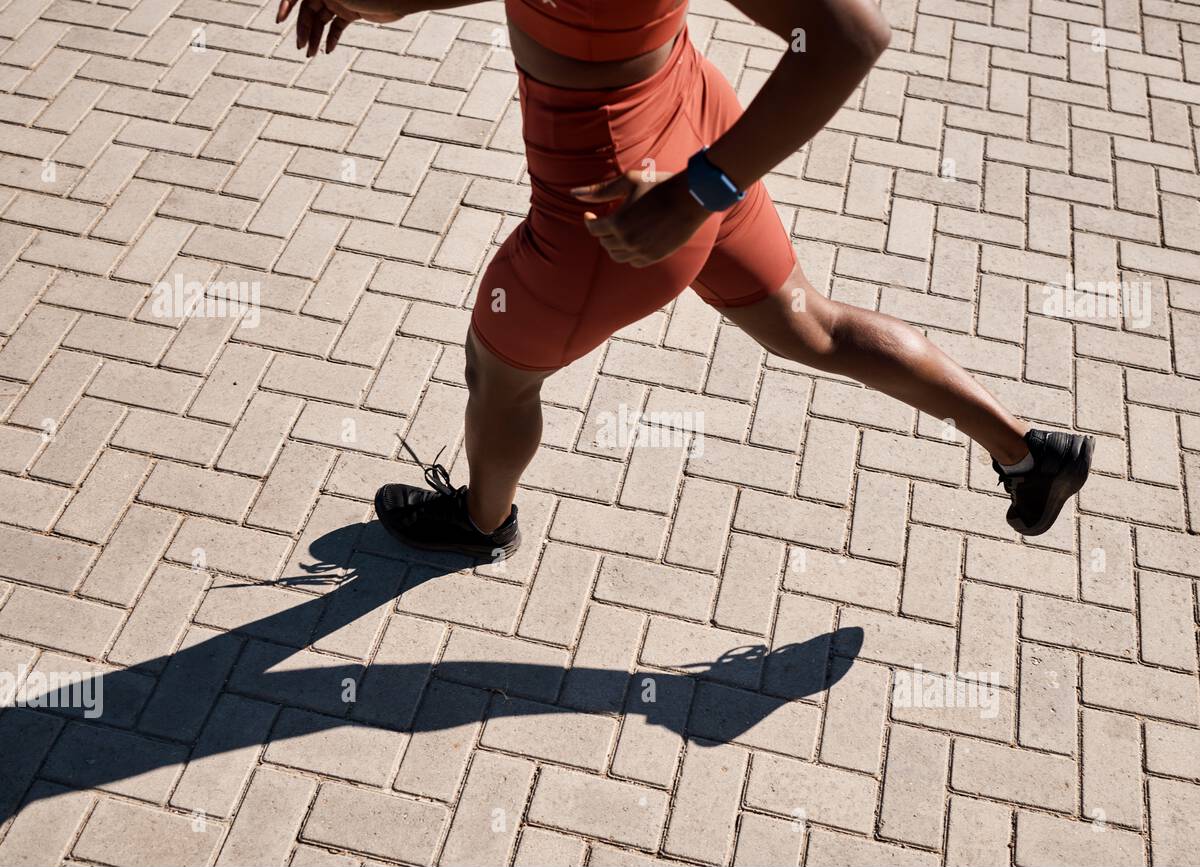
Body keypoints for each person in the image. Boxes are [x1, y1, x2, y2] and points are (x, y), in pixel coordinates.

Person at [278, 0, 1094, 562]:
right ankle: (1026, 453)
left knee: (495, 373)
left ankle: (481, 522)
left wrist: (694, 194)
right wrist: (710, 181)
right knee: (812, 325)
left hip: (611, 207)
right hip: (692, 119)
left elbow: (850, 37)